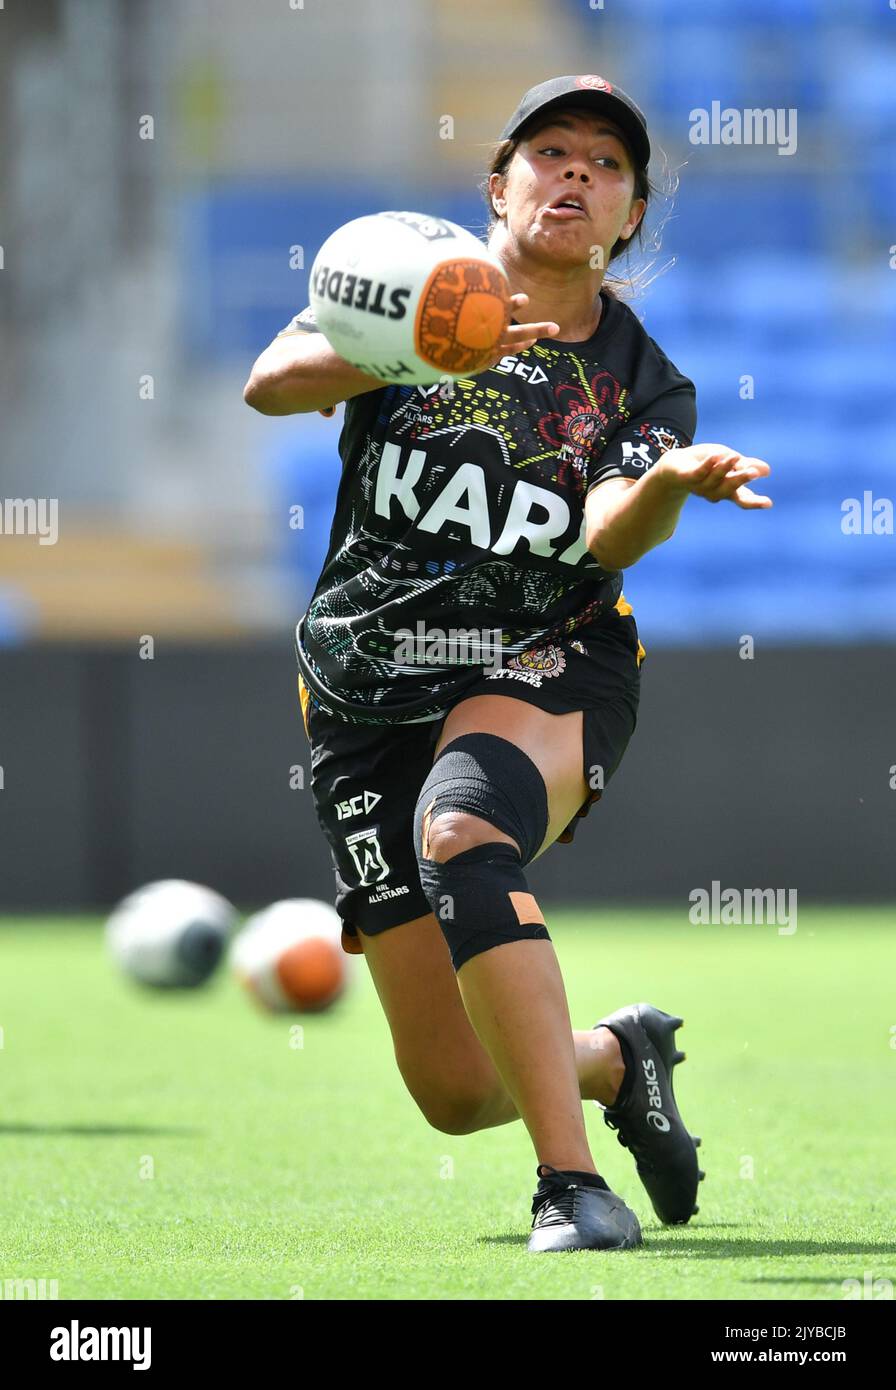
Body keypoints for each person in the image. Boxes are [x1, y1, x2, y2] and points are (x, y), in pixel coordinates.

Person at [244, 75, 771, 1253]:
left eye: (605, 163)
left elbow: (602, 529)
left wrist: (667, 493)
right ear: (498, 184)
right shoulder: (403, 278)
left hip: (545, 659)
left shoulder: (638, 378)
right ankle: (610, 1060)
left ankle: (571, 1190)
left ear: (629, 214)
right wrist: (418, 354)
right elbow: (271, 382)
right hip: (359, 689)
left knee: (460, 829)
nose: (575, 173)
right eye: (549, 151)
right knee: (452, 1090)